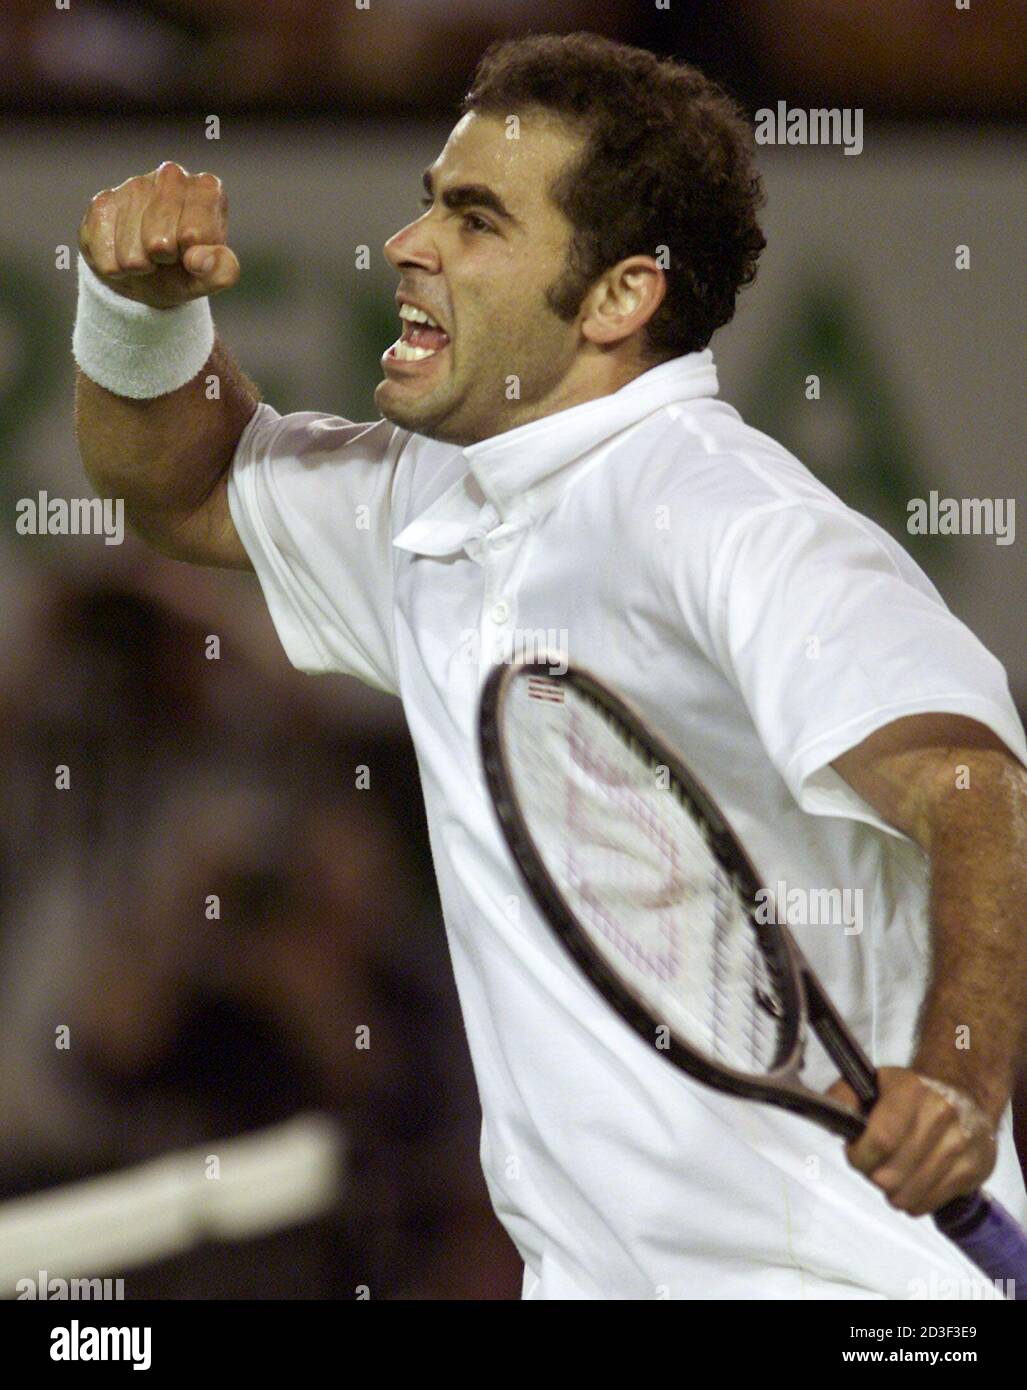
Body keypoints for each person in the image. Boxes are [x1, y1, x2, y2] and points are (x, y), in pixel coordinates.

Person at [73, 32, 1027, 1299]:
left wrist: (959, 1073)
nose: (408, 246)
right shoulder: (432, 499)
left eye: (474, 220)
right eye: (428, 199)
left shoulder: (733, 519)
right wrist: (139, 308)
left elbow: (972, 790)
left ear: (619, 298)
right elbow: (179, 486)